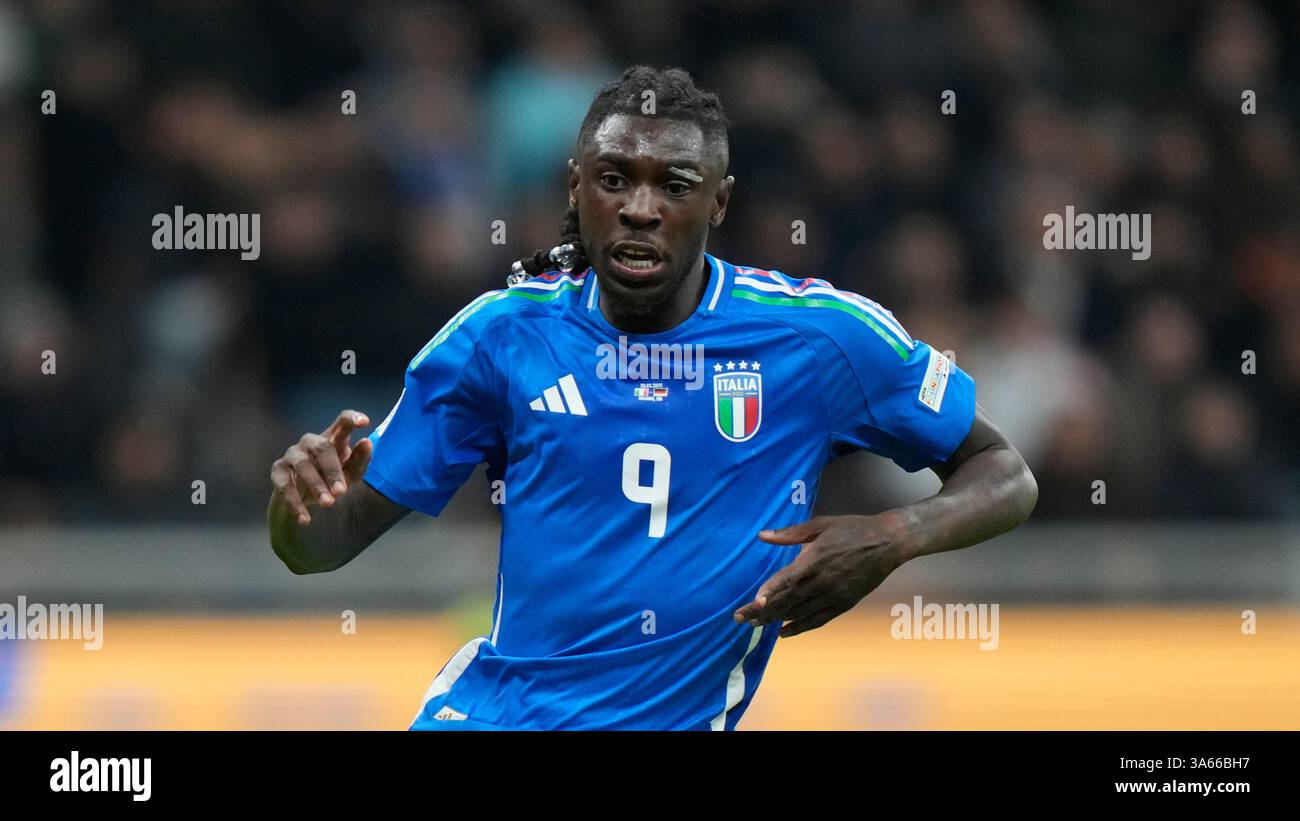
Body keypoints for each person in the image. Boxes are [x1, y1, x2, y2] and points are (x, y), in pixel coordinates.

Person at [267, 66, 1037, 730]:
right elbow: (323, 543)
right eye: (614, 179)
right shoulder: (500, 338)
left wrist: (895, 534)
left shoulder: (820, 340)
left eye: (674, 185)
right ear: (577, 187)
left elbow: (1004, 473)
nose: (641, 207)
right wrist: (299, 507)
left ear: (720, 202)